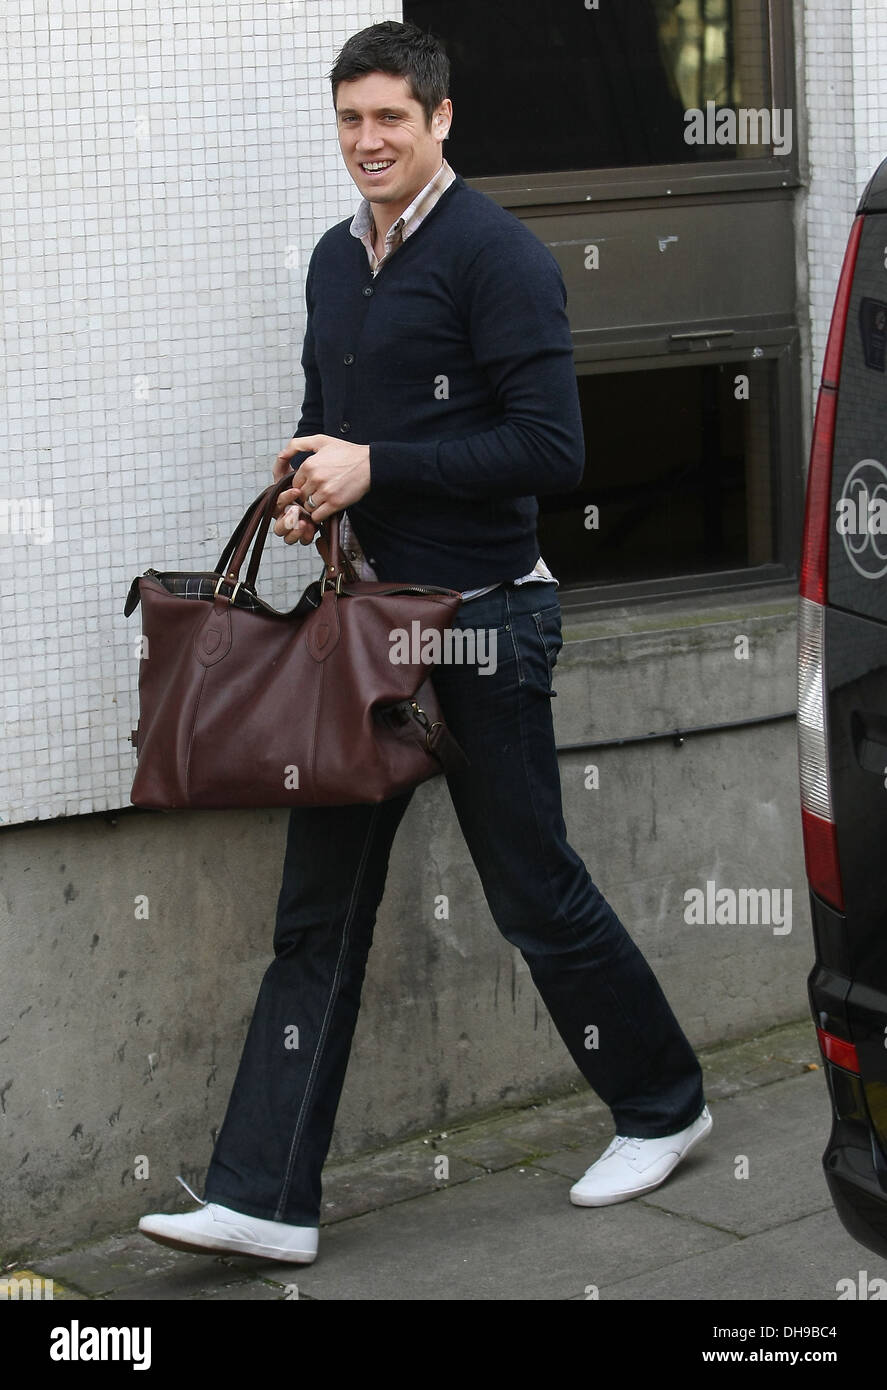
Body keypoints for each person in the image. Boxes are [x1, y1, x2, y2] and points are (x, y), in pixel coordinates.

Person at [138, 19, 711, 1267]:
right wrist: (311, 481)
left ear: (441, 119)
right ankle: (266, 1195)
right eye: (348, 120)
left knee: (533, 895)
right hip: (362, 642)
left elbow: (551, 453)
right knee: (317, 916)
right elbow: (328, 420)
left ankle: (663, 1104)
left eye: (390, 118)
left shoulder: (497, 256)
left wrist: (377, 465)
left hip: (482, 624)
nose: (366, 142)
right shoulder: (335, 262)